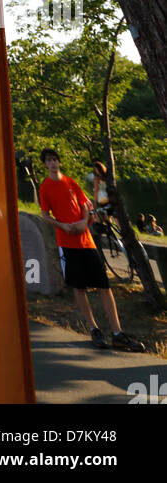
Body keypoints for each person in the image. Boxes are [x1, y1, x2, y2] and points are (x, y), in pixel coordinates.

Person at [39, 148, 144, 352]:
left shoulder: (70, 182)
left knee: (104, 285)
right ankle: (94, 329)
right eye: (49, 161)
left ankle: (117, 333)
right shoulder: (45, 188)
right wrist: (63, 226)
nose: (53, 163)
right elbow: (45, 214)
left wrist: (83, 221)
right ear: (45, 164)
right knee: (79, 288)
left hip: (87, 242)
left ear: (59, 162)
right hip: (67, 244)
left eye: (55, 159)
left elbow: (86, 204)